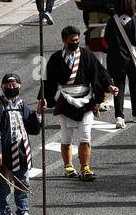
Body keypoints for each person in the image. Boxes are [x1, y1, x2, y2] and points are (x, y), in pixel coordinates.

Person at [40, 25, 112, 181]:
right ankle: (68, 166)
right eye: (72, 41)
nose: (75, 43)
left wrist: (108, 85)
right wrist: (44, 98)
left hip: (86, 101)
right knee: (66, 137)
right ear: (64, 40)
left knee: (85, 135)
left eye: (77, 41)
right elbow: (49, 81)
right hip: (65, 101)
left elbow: (98, 72)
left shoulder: (86, 55)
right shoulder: (56, 58)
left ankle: (85, 167)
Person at [0, 72, 42, 215]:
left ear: (19, 87)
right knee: (4, 186)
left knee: (23, 182)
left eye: (14, 86)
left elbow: (32, 127)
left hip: (21, 150)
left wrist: (39, 113)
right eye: (7, 86)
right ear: (2, 87)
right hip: (4, 152)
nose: (11, 88)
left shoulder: (22, 104)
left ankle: (23, 214)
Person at [105, 0, 136, 127]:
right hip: (132, 60)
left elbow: (107, 39)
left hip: (115, 59)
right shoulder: (135, 21)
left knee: (118, 86)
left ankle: (119, 116)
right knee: (134, 85)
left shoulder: (112, 21)